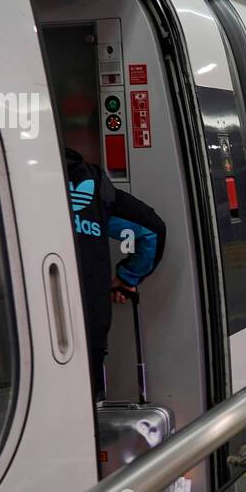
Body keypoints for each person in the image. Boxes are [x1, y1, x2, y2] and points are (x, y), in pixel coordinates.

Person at [64, 148, 167, 399]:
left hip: (29, 335)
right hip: (90, 328)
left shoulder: (17, 179)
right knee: (87, 418)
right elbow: (151, 231)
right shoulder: (93, 183)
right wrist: (127, 276)